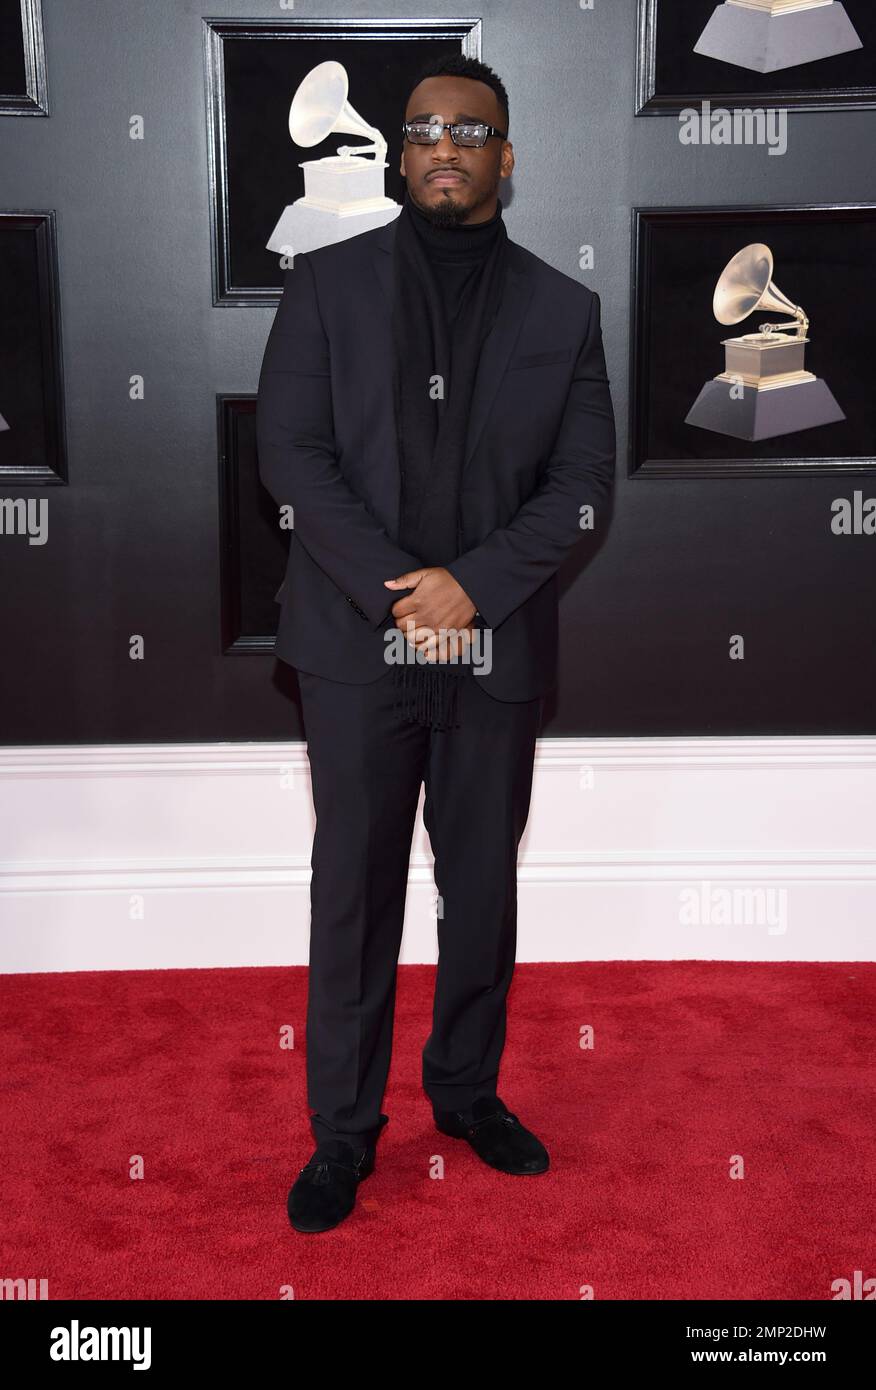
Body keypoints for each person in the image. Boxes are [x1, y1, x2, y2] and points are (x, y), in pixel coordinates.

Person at [256, 53, 616, 1234]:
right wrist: (402, 592)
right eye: (424, 129)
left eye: (471, 130)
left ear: (506, 159)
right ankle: (343, 1135)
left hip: (494, 647)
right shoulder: (324, 285)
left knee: (480, 889)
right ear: (402, 156)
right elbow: (291, 456)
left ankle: (465, 1092)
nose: (446, 146)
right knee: (351, 892)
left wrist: (473, 589)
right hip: (359, 647)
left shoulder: (566, 311)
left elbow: (580, 487)